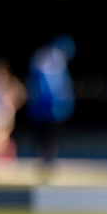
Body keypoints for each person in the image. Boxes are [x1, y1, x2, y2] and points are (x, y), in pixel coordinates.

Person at [27, 36, 75, 172]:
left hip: (44, 108)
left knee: (45, 137)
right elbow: (57, 86)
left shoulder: (43, 56)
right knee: (48, 136)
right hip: (50, 108)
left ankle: (45, 160)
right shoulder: (54, 58)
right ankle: (46, 160)